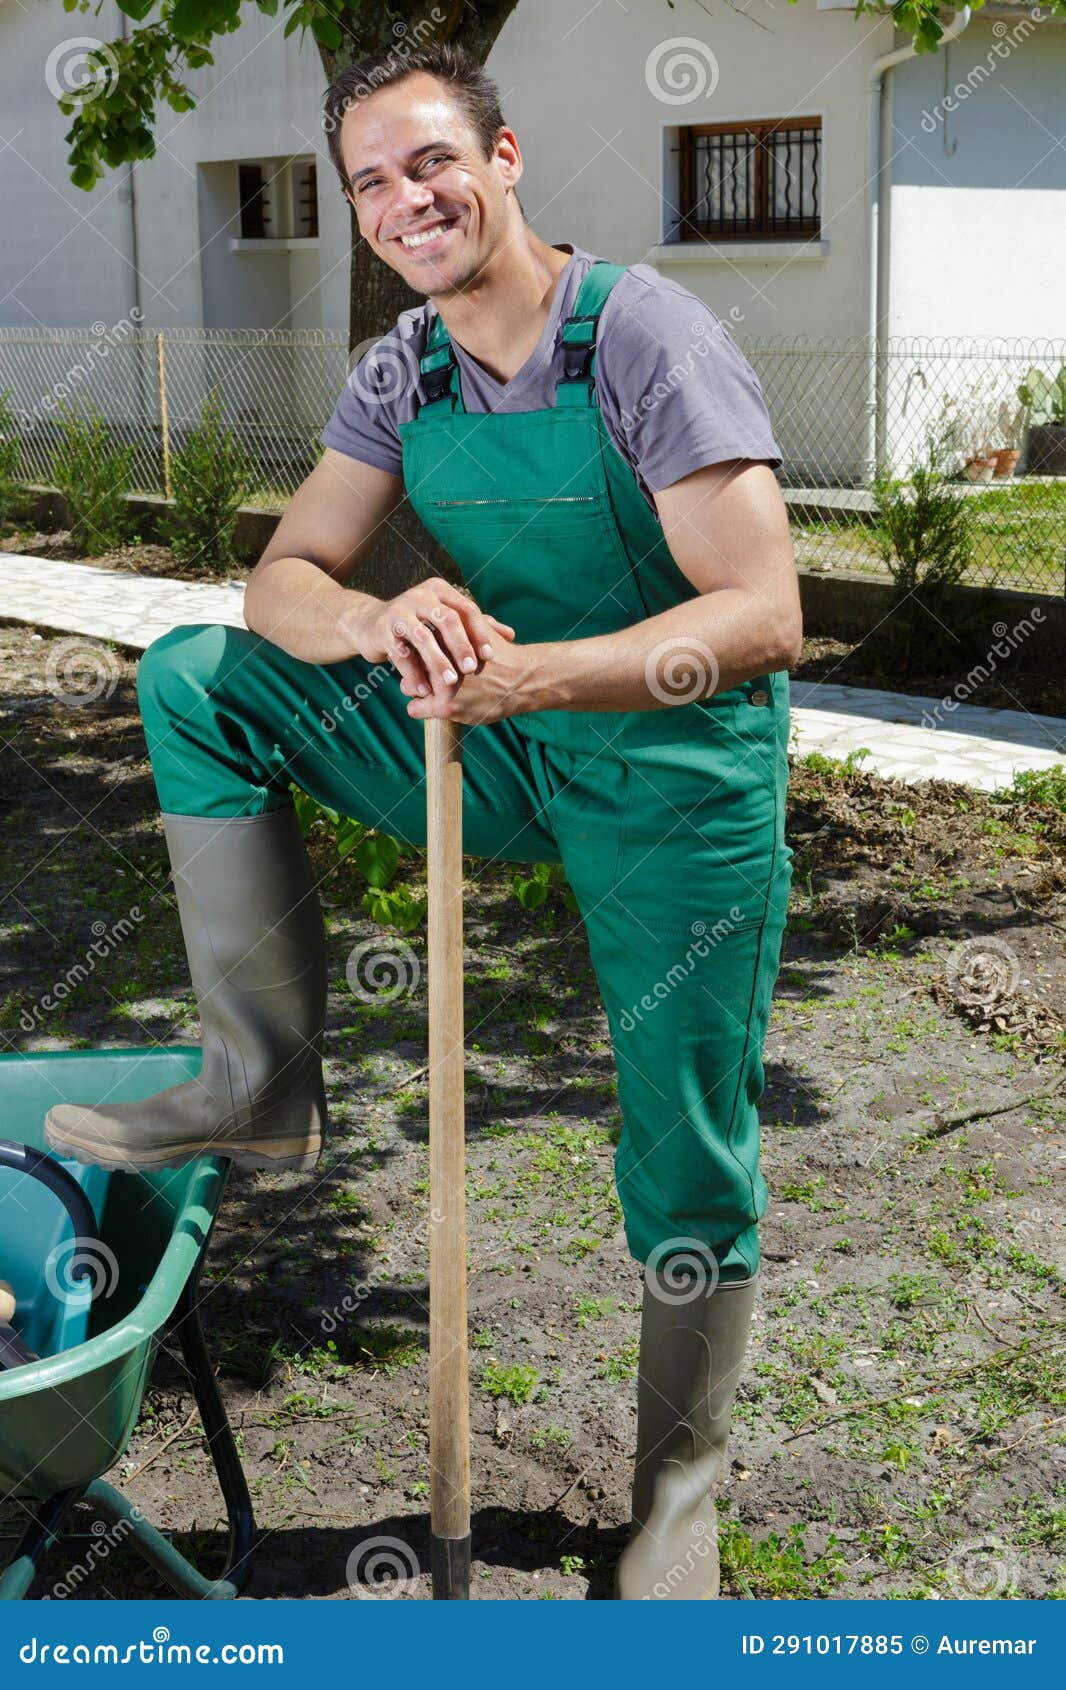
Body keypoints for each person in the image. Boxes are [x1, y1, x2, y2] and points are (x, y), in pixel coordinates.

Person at [45, 42, 801, 1600]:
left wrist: (538, 670)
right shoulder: (407, 367)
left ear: (505, 159)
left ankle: (678, 1485)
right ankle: (259, 1077)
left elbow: (764, 613)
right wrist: (374, 623)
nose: (407, 201)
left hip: (676, 776)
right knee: (200, 677)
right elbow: (278, 577)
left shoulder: (642, 337)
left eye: (431, 163)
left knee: (682, 1136)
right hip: (498, 741)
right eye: (372, 182)